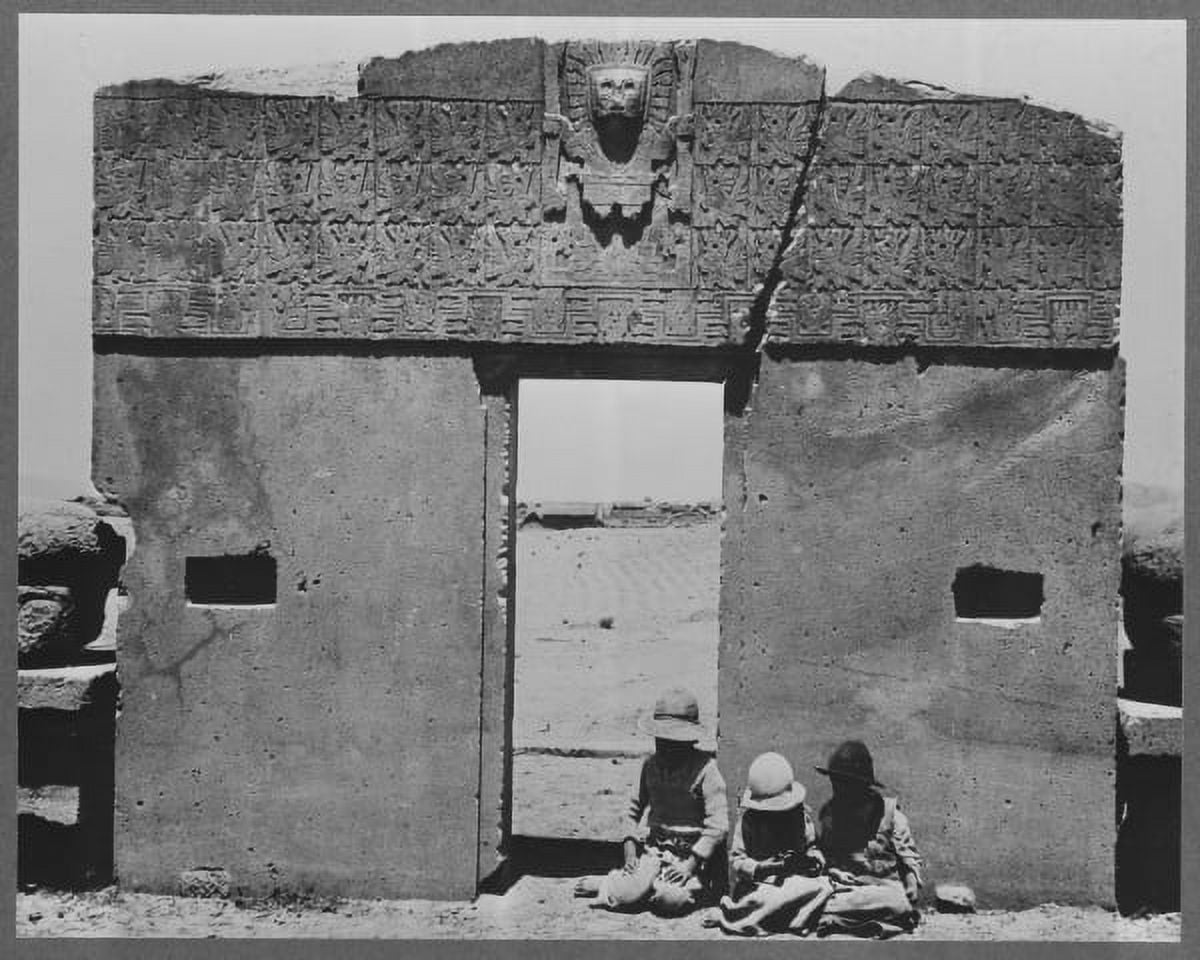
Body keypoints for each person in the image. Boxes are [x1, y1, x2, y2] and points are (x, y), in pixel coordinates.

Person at [574, 687, 729, 916]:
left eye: (673, 741)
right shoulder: (650, 767)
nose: (665, 747)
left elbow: (718, 825)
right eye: (661, 739)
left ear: (689, 740)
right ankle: (620, 884)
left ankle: (641, 887)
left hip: (690, 859)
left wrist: (689, 866)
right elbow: (631, 811)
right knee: (629, 895)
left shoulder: (706, 770)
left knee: (670, 901)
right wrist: (630, 854)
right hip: (655, 851)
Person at [711, 751, 834, 936]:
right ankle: (740, 914)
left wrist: (812, 861)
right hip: (761, 885)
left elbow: (813, 848)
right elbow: (736, 860)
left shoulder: (799, 816)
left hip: (797, 883)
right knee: (764, 898)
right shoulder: (749, 821)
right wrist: (763, 868)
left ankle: (771, 915)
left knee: (823, 885)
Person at [812, 740, 923, 939]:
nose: (839, 789)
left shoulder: (890, 815)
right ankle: (845, 920)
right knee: (810, 892)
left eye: (846, 783)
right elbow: (826, 860)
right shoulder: (830, 813)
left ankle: (833, 919)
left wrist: (911, 883)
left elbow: (908, 860)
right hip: (842, 889)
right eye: (836, 782)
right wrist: (833, 872)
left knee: (897, 902)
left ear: (862, 784)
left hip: (880, 891)